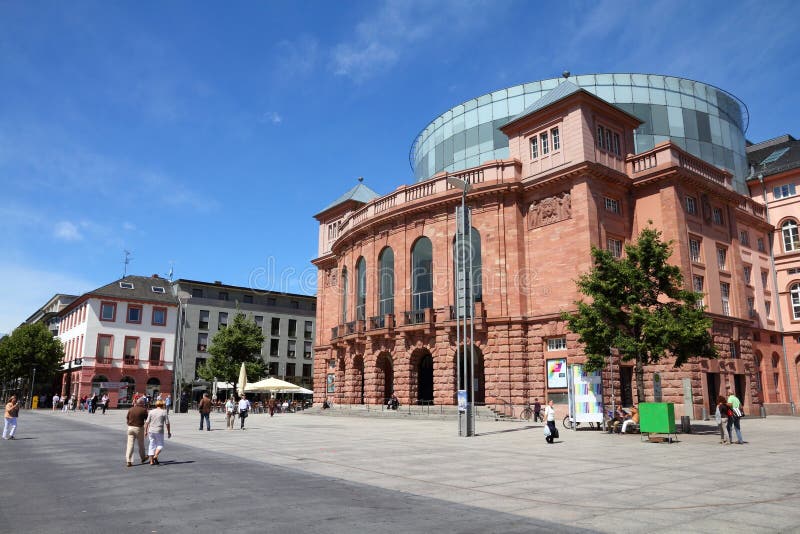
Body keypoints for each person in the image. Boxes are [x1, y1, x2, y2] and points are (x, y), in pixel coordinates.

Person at [144, 400, 171, 465]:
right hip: (159, 430)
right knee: (160, 445)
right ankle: (156, 455)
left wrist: (145, 431)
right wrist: (169, 432)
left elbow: (147, 422)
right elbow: (167, 423)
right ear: (162, 405)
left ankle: (151, 461)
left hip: (151, 430)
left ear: (156, 405)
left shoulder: (151, 411)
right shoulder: (164, 412)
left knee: (152, 444)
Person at [125, 398, 149, 467]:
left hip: (130, 428)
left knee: (130, 445)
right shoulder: (143, 410)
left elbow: (127, 418)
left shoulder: (131, 409)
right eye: (143, 403)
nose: (144, 404)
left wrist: (129, 424)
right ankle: (143, 457)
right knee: (141, 444)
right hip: (139, 428)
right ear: (141, 403)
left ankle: (128, 461)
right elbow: (147, 419)